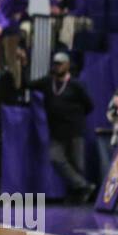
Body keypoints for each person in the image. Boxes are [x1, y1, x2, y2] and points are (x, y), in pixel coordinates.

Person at [28, 52, 95, 202]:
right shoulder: (47, 82)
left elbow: (89, 105)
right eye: (55, 64)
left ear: (67, 65)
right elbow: (28, 84)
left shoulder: (76, 85)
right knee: (55, 158)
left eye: (60, 64)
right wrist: (20, 63)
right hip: (56, 131)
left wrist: (75, 116)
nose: (57, 67)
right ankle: (83, 185)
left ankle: (78, 194)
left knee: (78, 164)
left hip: (74, 130)